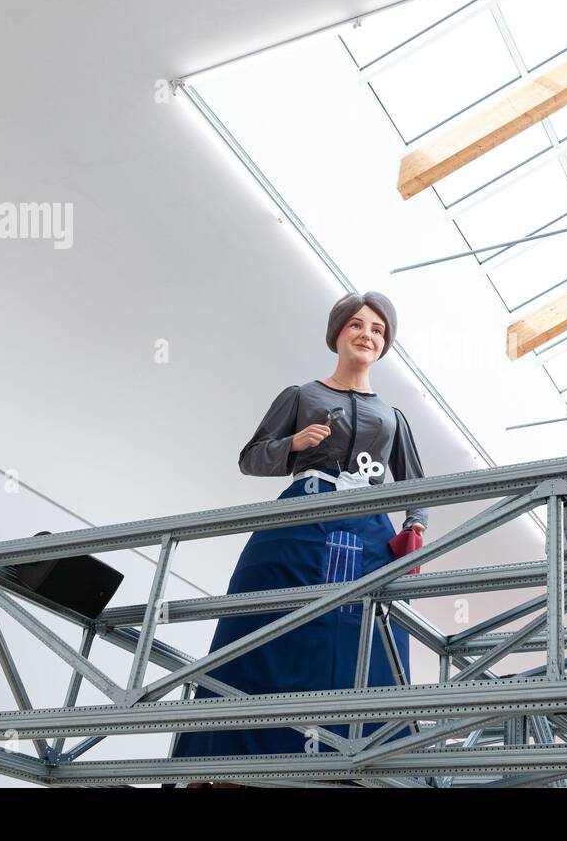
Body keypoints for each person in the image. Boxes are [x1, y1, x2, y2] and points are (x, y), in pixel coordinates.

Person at [170, 291, 428, 778]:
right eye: (356, 325)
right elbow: (252, 458)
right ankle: (233, 750)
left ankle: (362, 757)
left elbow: (416, 484)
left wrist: (416, 525)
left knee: (362, 633)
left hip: (369, 532)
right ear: (337, 334)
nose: (366, 335)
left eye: (376, 329)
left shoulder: (394, 416)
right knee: (271, 617)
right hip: (300, 519)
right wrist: (294, 443)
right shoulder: (302, 395)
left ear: (386, 342)